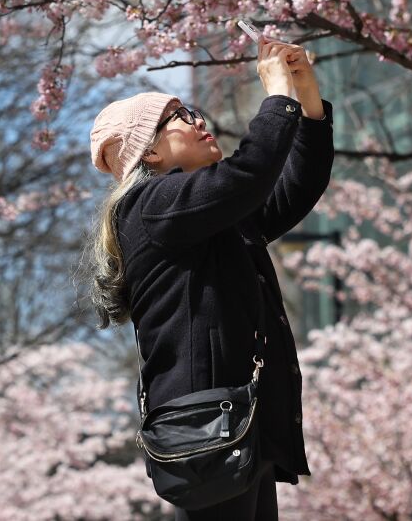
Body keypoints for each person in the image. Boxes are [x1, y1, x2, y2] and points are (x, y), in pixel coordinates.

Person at [87, 36, 333, 521]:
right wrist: (277, 98)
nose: (197, 119)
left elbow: (294, 187)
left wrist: (306, 100)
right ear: (149, 155)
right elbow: (252, 174)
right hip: (207, 428)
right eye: (179, 116)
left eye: (192, 110)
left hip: (236, 422)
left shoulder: (211, 219)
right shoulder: (151, 206)